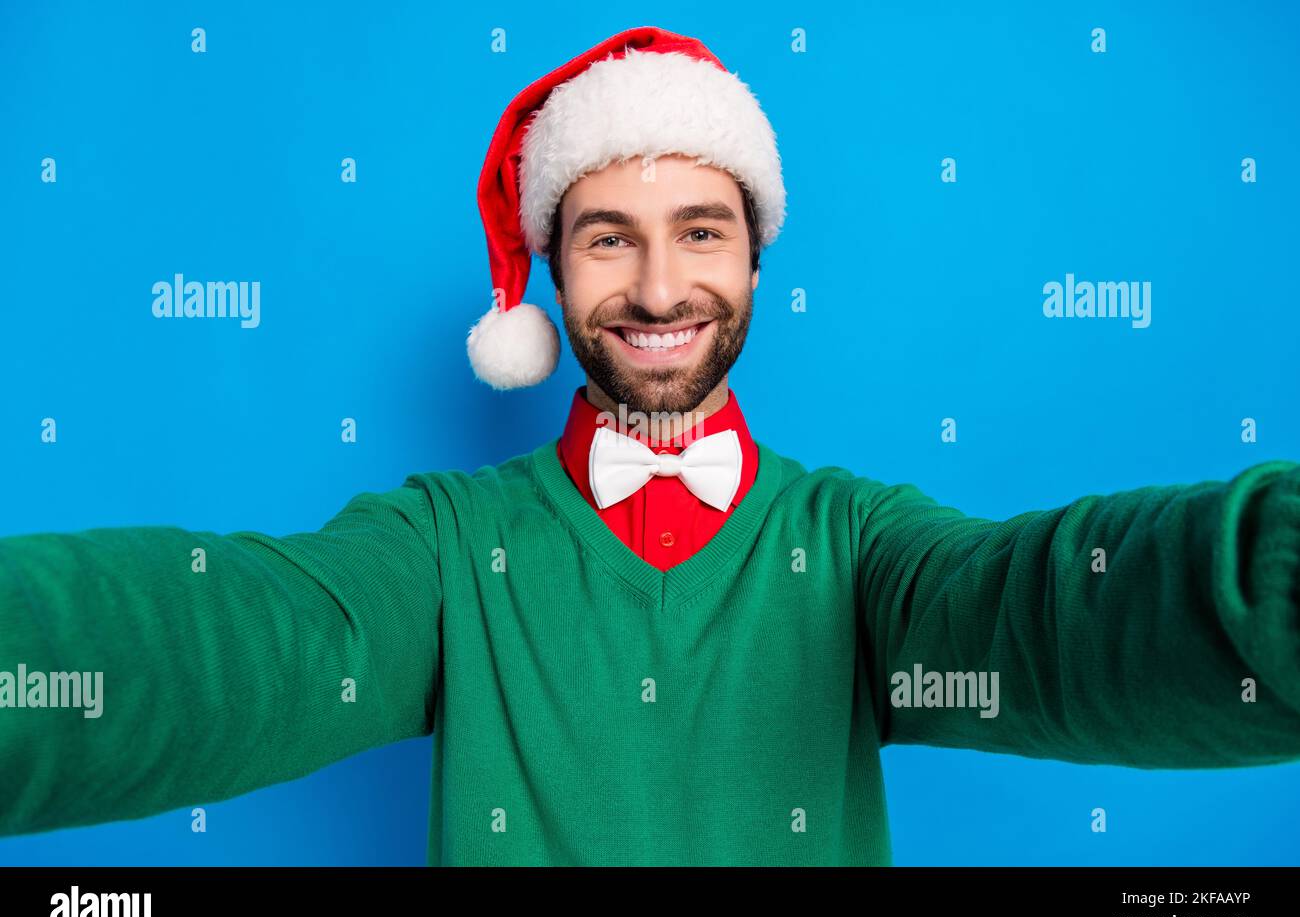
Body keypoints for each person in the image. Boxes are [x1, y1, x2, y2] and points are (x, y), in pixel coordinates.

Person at [1, 26, 1298, 866]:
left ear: (757, 257)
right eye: (609, 235)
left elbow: (1045, 613)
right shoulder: (447, 549)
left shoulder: (861, 549)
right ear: (551, 275)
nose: (662, 288)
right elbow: (238, 643)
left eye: (702, 230)